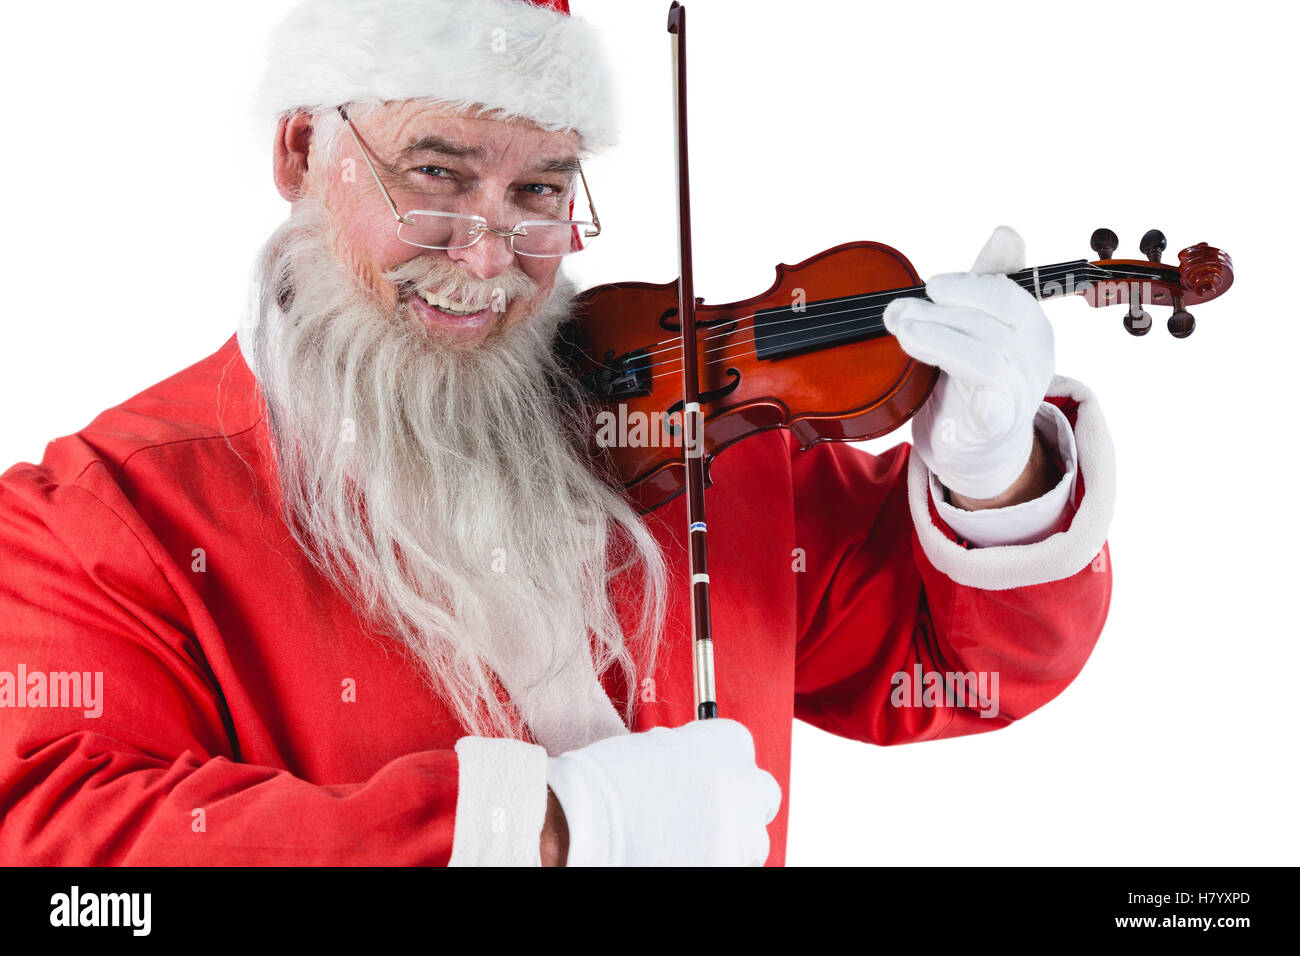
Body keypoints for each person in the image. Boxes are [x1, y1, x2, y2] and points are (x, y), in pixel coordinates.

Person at [0, 0, 1114, 866]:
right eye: (434, 173)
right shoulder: (101, 516)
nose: (488, 258)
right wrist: (536, 829)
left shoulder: (683, 432)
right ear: (301, 151)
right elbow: (62, 847)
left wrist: (989, 473)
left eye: (539, 190)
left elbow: (949, 667)